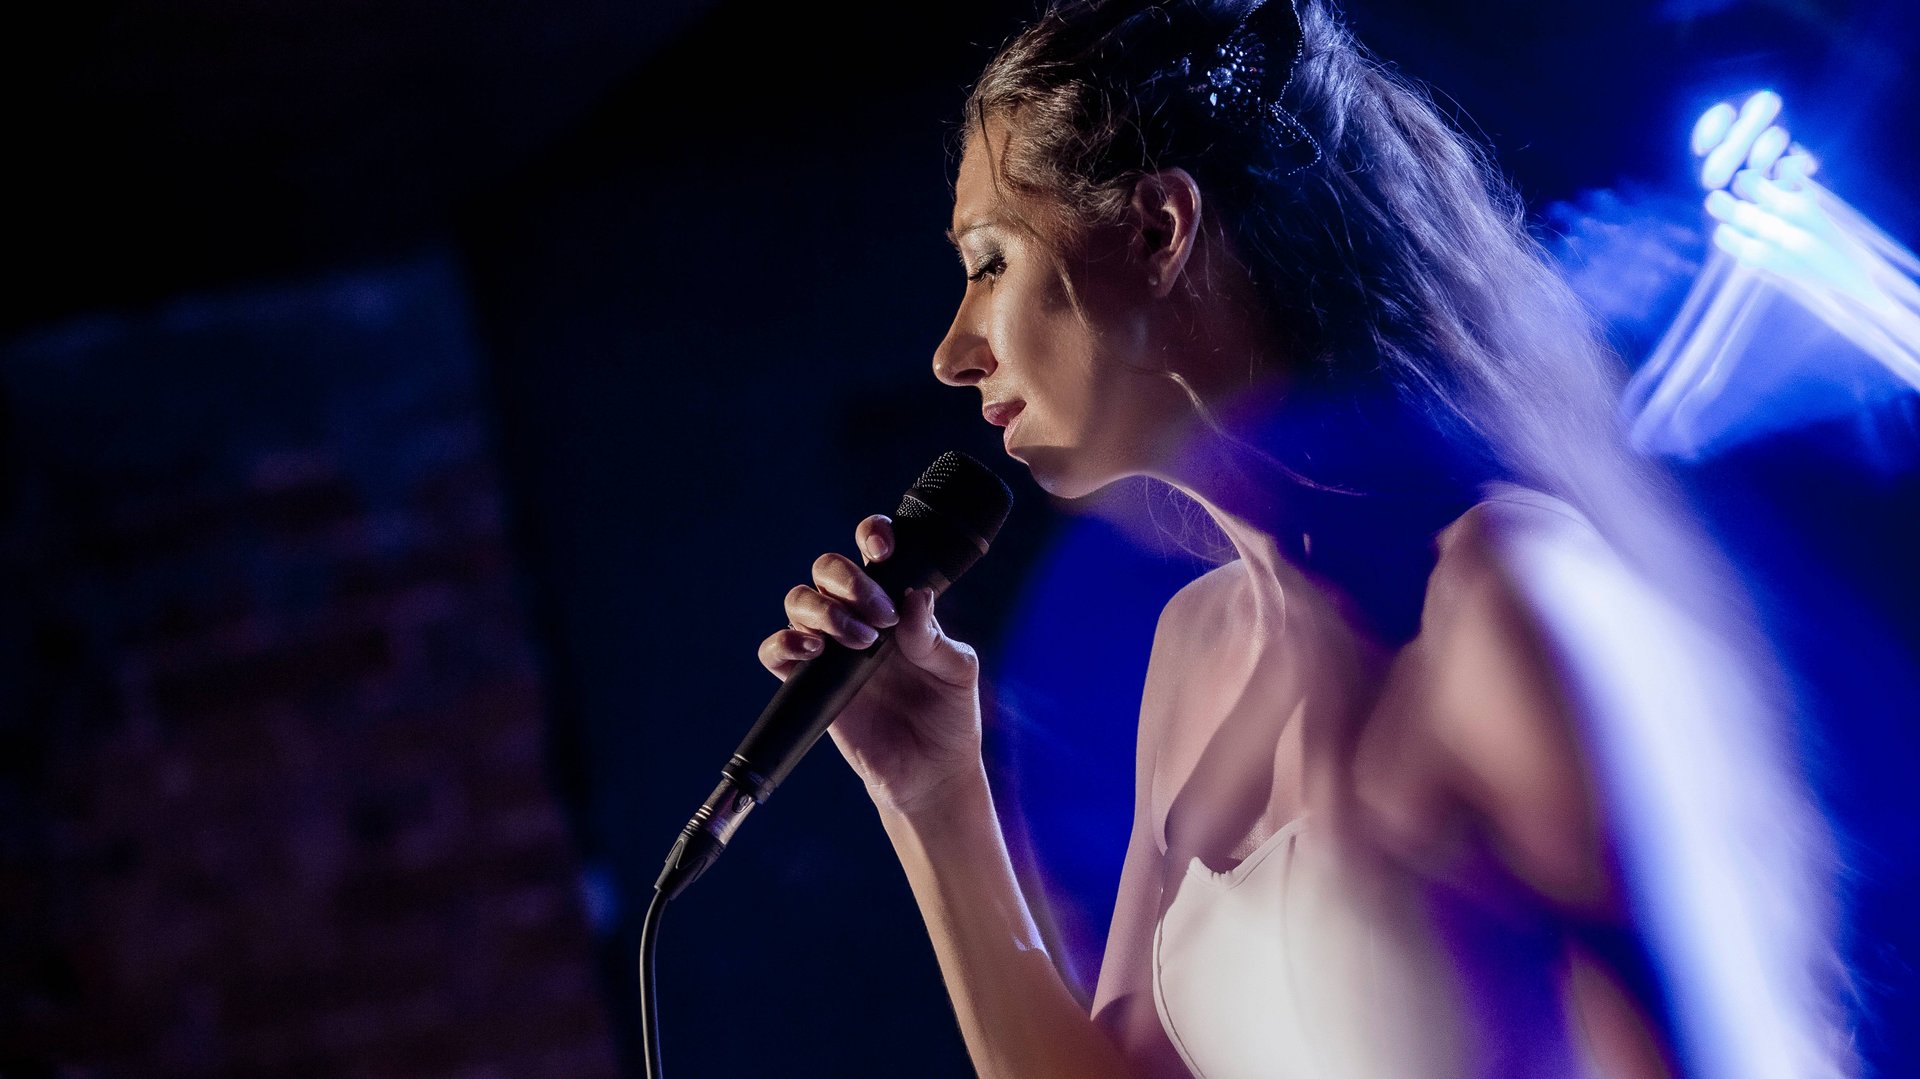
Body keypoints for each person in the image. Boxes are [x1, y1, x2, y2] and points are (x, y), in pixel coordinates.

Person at [756, 1, 1853, 1076]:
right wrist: (934, 791)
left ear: (1158, 230)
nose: (953, 351)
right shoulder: (1196, 649)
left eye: (991, 261)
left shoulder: (1511, 605)